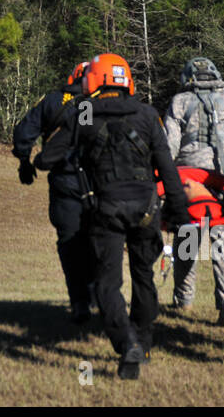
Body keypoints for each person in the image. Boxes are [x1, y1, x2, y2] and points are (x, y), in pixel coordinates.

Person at [35, 53, 190, 380]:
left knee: (107, 284)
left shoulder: (86, 111)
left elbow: (47, 158)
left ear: (91, 81)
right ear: (126, 81)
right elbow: (167, 168)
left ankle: (127, 342)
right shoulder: (147, 114)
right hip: (147, 207)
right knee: (143, 275)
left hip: (106, 209)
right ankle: (144, 343)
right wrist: (180, 211)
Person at [163, 57, 224, 326]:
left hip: (191, 174)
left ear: (187, 78)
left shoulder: (179, 102)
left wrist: (162, 179)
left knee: (187, 235)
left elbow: (169, 146)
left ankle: (184, 301)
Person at [12, 62, 95, 323]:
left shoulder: (53, 100)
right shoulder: (103, 102)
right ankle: (96, 298)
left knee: (70, 242)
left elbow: (24, 133)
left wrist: (24, 161)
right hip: (98, 182)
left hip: (64, 179)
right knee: (98, 240)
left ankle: (79, 302)